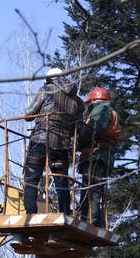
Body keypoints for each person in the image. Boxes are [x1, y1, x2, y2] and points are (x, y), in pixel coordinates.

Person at [23, 67, 85, 215]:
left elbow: (28, 115)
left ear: (49, 79)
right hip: (61, 146)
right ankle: (64, 211)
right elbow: (79, 126)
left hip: (40, 141)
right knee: (61, 179)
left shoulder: (46, 90)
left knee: (32, 177)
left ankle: (31, 212)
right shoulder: (78, 101)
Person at [76, 86, 122, 228]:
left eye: (90, 102)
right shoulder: (109, 111)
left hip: (95, 155)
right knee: (95, 190)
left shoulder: (102, 109)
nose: (89, 105)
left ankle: (88, 221)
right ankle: (94, 220)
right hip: (101, 155)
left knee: (91, 190)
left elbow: (93, 129)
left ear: (95, 100)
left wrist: (77, 142)